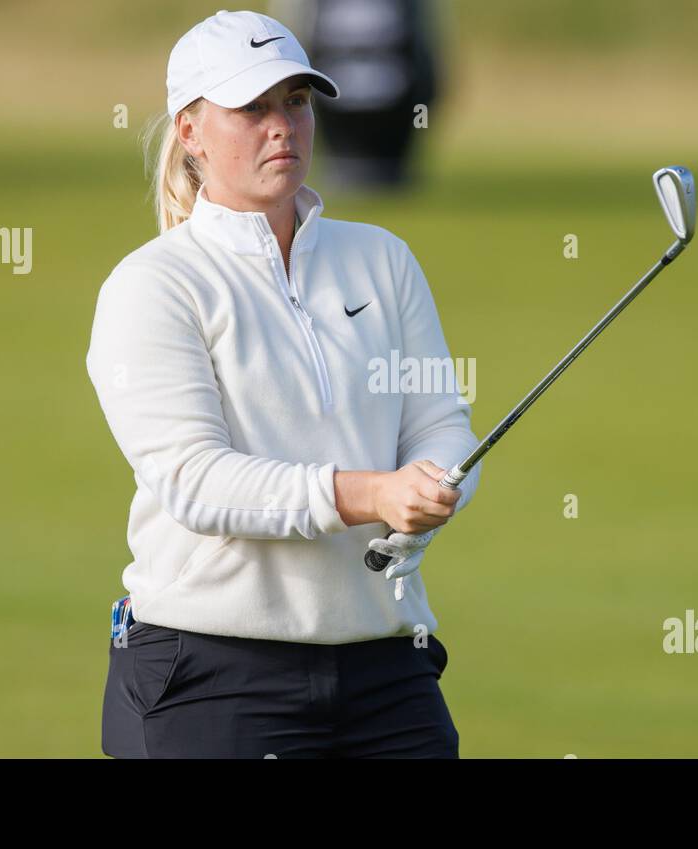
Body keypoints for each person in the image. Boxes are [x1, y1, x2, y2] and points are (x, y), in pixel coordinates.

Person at [85, 9, 481, 758]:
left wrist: (438, 484)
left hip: (383, 665)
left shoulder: (382, 259)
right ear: (191, 131)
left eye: (297, 102)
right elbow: (197, 482)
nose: (284, 128)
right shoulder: (153, 286)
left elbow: (439, 419)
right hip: (212, 670)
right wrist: (371, 494)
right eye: (253, 107)